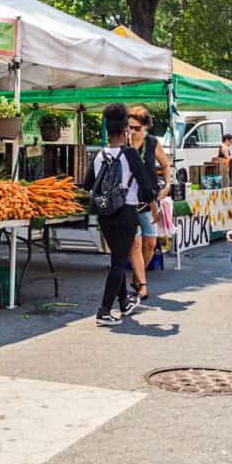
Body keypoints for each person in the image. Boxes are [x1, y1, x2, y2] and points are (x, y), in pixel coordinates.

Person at [83, 103, 154, 327]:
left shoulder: (98, 155)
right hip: (126, 212)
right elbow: (146, 184)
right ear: (124, 130)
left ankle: (123, 303)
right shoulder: (130, 154)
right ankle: (104, 311)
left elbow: (87, 184)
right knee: (119, 262)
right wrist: (152, 201)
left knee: (118, 256)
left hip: (105, 213)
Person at [127, 105, 172, 299]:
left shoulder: (152, 143)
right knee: (135, 244)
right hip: (128, 199)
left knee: (150, 244)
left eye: (136, 128)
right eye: (129, 127)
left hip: (148, 199)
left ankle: (139, 276)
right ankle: (141, 282)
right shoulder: (124, 144)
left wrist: (167, 185)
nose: (132, 131)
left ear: (145, 127)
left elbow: (165, 164)